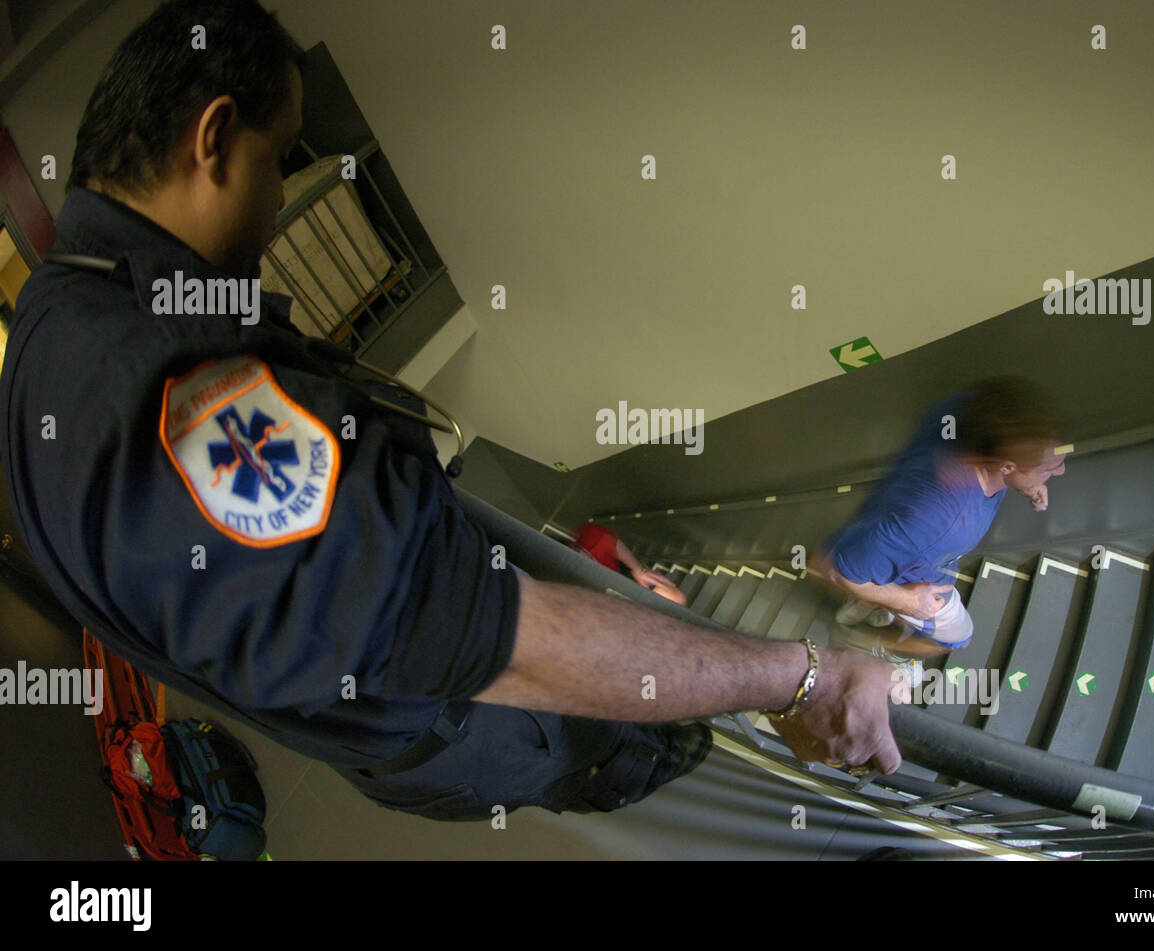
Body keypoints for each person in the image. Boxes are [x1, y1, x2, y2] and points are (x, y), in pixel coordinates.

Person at [0, 0, 905, 824]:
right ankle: (666, 746)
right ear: (214, 136)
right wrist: (799, 676)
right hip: (477, 722)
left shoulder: (57, 321)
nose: (281, 199)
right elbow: (476, 635)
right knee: (623, 748)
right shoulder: (160, 378)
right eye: (278, 159)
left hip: (404, 735)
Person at [813, 378, 1066, 661]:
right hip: (915, 576)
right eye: (1050, 468)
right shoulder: (945, 523)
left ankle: (868, 601)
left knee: (871, 564)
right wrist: (907, 601)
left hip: (876, 524)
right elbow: (837, 569)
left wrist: (1030, 483)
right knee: (958, 640)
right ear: (1007, 466)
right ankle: (867, 645)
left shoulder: (963, 412)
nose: (1061, 471)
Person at [571, 521, 688, 605]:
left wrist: (639, 570)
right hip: (612, 600)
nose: (592, 564)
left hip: (624, 575)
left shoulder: (591, 538)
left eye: (588, 560)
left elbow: (609, 541)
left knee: (675, 598)